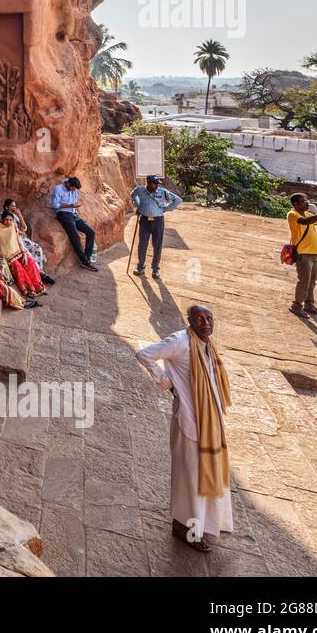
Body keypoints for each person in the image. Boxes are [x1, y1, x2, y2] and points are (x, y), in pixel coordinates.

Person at [134, 305, 232, 553]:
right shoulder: (180, 341)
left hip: (210, 423)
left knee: (203, 474)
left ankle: (196, 525)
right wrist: (168, 383)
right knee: (190, 478)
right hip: (189, 420)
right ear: (189, 321)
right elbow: (144, 354)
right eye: (199, 319)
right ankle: (190, 529)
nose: (205, 323)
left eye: (209, 318)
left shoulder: (207, 345)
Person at [130, 175, 182, 278]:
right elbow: (133, 194)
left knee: (157, 245)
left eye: (158, 183)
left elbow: (178, 200)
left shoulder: (163, 192)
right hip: (144, 220)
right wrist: (138, 204)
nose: (157, 185)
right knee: (142, 245)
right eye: (155, 183)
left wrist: (166, 209)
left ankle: (155, 269)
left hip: (158, 221)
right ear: (148, 183)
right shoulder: (140, 189)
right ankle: (140, 267)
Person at [0, 209, 46, 297]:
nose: (8, 222)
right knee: (18, 267)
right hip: (7, 257)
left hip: (18, 252)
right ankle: (29, 288)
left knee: (30, 261)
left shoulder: (13, 227)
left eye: (10, 220)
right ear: (2, 219)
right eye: (6, 220)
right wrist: (11, 256)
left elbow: (18, 241)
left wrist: (24, 253)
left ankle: (38, 286)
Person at [2, 198, 55, 286]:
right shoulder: (4, 216)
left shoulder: (15, 216)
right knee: (26, 252)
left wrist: (19, 215)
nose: (14, 208)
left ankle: (38, 272)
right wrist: (18, 231)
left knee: (37, 248)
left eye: (15, 206)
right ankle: (40, 274)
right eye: (12, 206)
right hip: (14, 239)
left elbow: (24, 228)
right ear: (7, 207)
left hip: (21, 238)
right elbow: (9, 230)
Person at [49, 175, 97, 271]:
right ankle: (85, 262)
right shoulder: (58, 189)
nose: (73, 190)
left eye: (75, 189)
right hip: (63, 214)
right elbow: (55, 205)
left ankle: (87, 258)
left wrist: (74, 208)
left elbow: (74, 203)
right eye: (73, 188)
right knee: (75, 236)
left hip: (73, 214)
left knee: (91, 232)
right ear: (68, 183)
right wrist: (70, 205)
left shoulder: (74, 190)